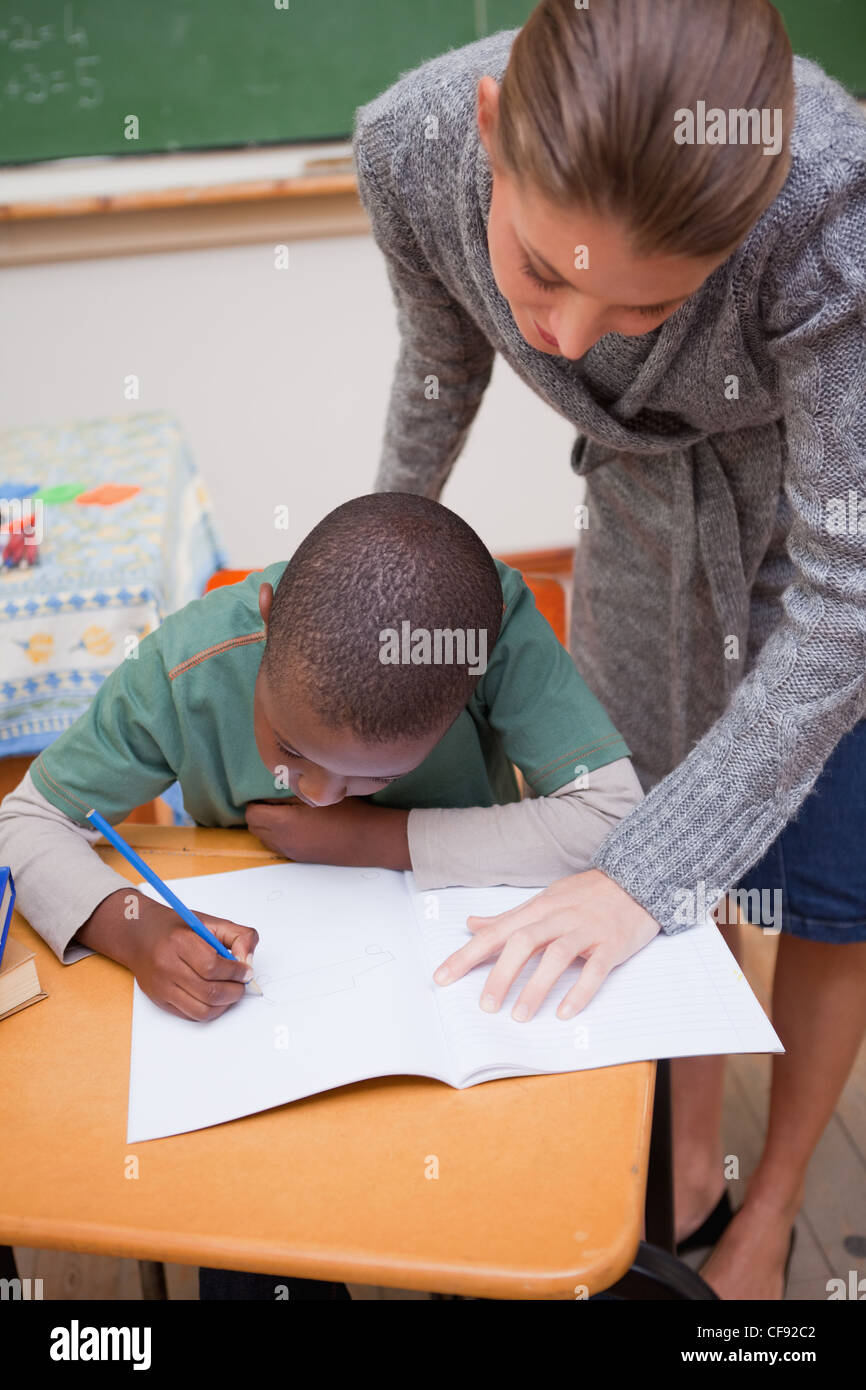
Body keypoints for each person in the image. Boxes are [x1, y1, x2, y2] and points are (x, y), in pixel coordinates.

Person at [351, 0, 866, 1299]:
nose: (568, 341)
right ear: (487, 135)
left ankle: (776, 1200)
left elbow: (841, 598)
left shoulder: (827, 206)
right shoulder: (412, 142)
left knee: (823, 891)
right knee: (674, 850)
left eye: (646, 304)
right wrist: (372, 563)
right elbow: (436, 363)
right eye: (540, 269)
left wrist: (640, 874)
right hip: (643, 534)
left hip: (829, 546)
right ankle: (692, 1159)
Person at [0, 491, 643, 1299]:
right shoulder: (182, 670)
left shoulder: (490, 633)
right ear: (267, 618)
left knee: (501, 1217)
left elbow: (615, 817)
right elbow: (24, 819)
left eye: (377, 775)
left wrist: (378, 840)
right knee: (253, 1238)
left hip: (457, 1002)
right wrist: (128, 926)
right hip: (257, 1037)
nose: (322, 798)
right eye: (293, 749)